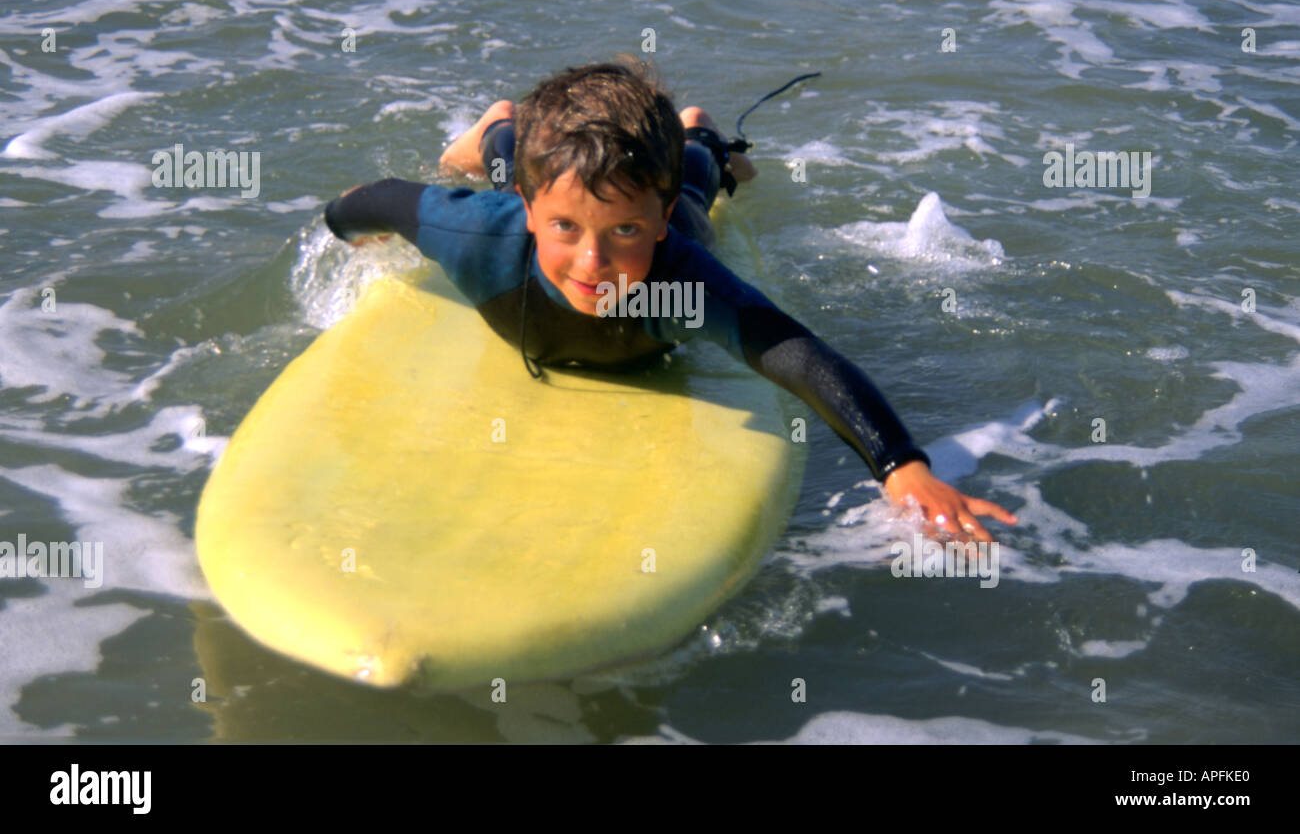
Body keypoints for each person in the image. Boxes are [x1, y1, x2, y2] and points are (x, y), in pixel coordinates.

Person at [323, 58, 1017, 541]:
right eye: (568, 230)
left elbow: (796, 354)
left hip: (674, 203)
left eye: (624, 230)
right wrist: (347, 230)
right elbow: (370, 200)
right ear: (534, 219)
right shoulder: (477, 237)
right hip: (521, 200)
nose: (594, 263)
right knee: (519, 172)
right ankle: (500, 128)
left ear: (650, 226)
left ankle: (698, 133)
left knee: (694, 179)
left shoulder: (680, 281)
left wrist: (901, 465)